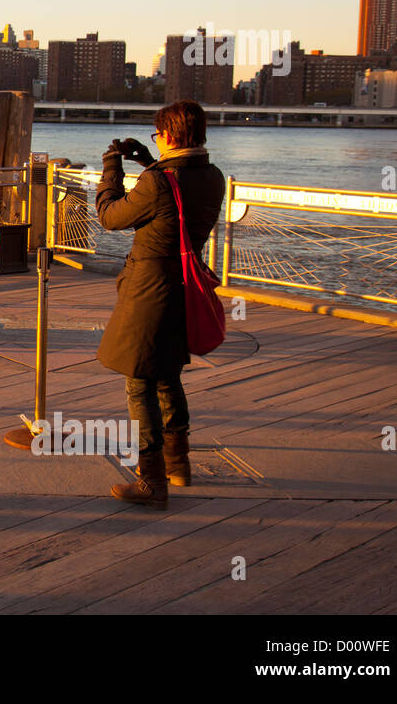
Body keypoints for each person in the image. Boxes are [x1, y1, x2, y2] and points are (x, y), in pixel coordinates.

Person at [95, 99, 225, 509]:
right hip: (183, 288)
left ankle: (151, 481)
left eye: (157, 137)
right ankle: (177, 464)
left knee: (139, 382)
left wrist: (112, 167)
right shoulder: (213, 176)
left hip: (149, 292)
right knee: (168, 376)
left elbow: (110, 216)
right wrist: (149, 160)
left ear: (168, 135)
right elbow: (175, 195)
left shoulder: (157, 183)